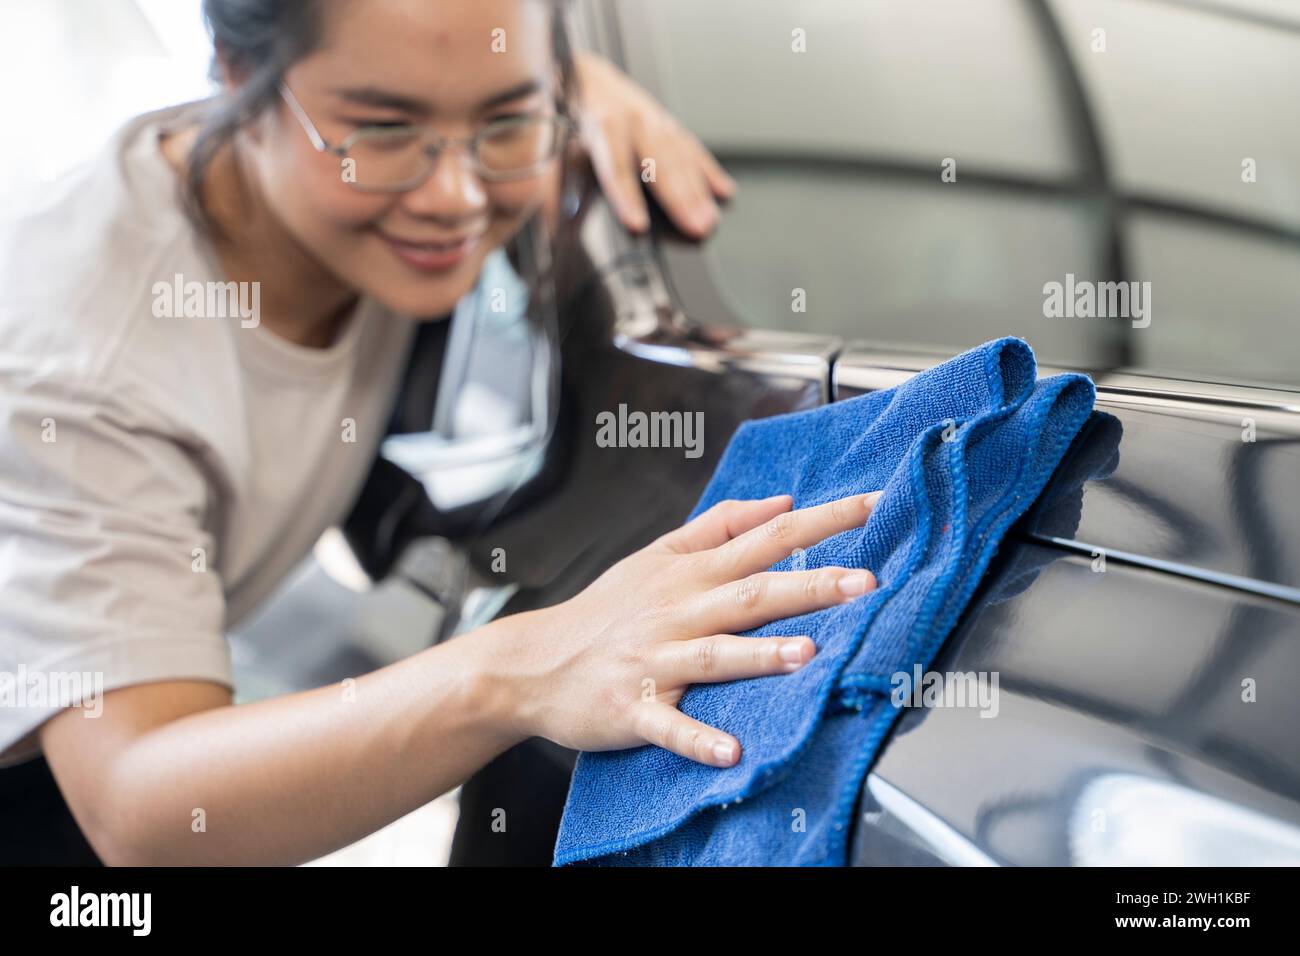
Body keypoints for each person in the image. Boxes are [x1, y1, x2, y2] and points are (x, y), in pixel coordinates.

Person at [0, 0, 880, 865]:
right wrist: (521, 669)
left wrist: (561, 95)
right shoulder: (78, 353)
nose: (455, 197)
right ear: (238, 77)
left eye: (505, 119)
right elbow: (139, 806)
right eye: (385, 131)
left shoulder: (382, 155)